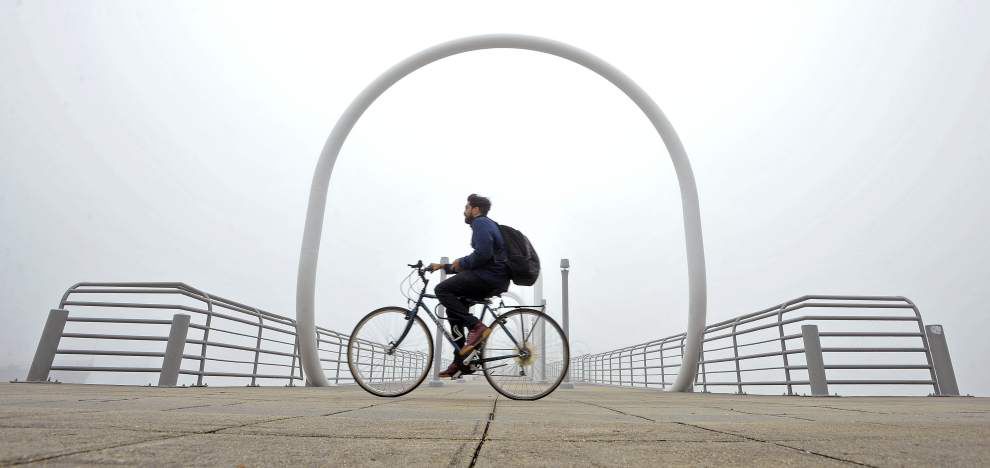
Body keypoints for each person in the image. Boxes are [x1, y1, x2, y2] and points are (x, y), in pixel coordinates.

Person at [427, 193, 510, 378]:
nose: (464, 210)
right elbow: (477, 261)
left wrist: (461, 262)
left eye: (467, 207)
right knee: (454, 309)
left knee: (442, 289)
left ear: (475, 209)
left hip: (490, 277)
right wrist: (445, 267)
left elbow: (483, 254)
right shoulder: (487, 224)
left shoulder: (481, 223)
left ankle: (477, 327)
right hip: (493, 276)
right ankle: (461, 361)